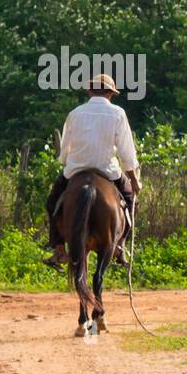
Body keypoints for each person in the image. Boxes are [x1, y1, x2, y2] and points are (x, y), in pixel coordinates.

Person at [44, 73, 141, 270]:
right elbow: (126, 152)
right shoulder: (118, 114)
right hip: (108, 171)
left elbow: (65, 150)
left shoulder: (75, 113)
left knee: (52, 203)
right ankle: (119, 245)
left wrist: (67, 162)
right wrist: (134, 180)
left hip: (75, 170)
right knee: (131, 201)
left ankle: (59, 248)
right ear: (110, 94)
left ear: (89, 91)